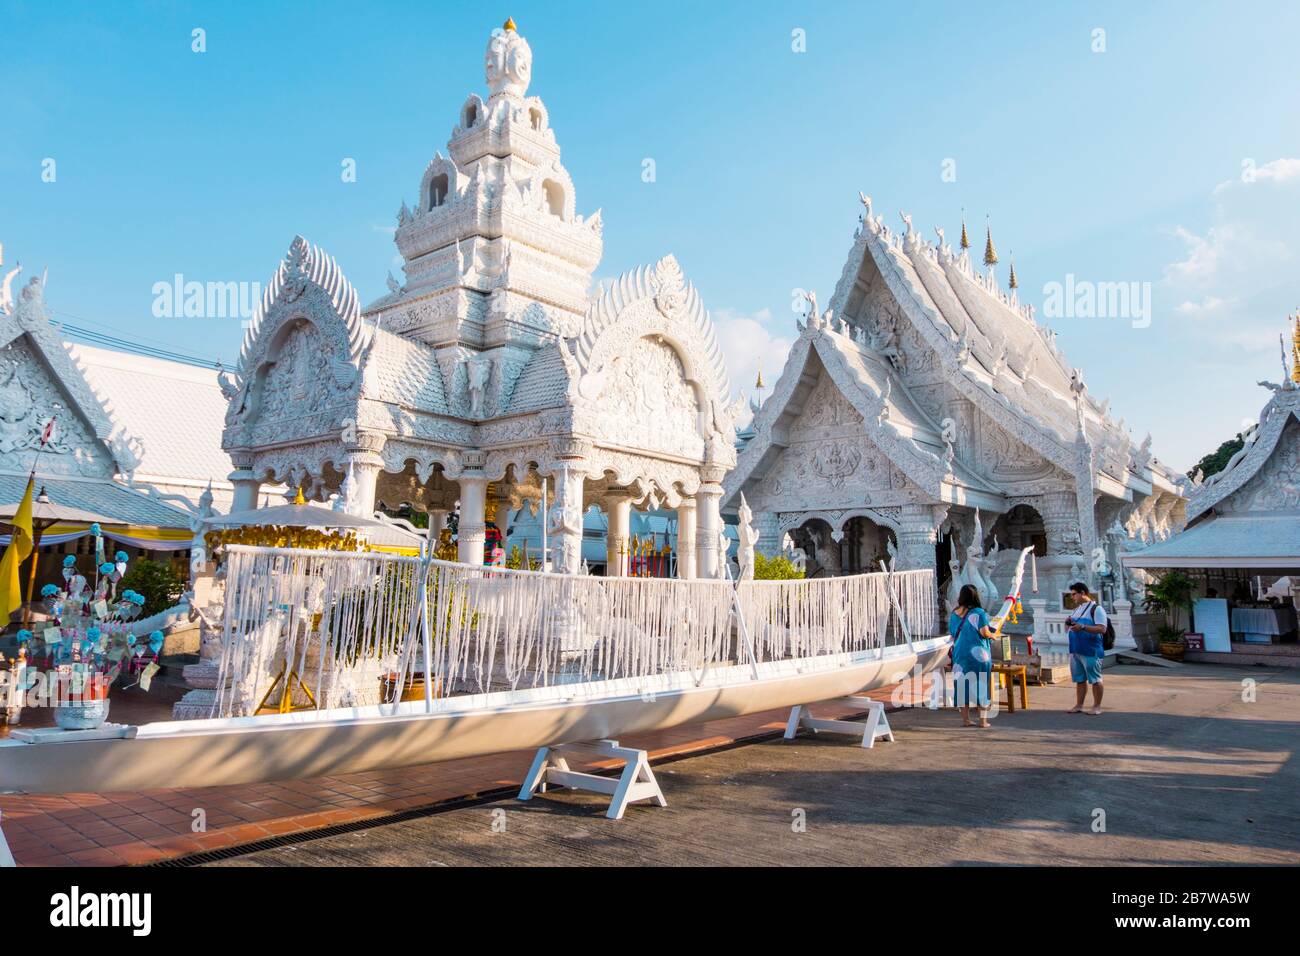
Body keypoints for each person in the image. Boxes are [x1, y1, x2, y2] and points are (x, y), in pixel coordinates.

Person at [948, 584, 996, 728]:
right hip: (979, 655)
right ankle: (983, 721)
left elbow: (952, 632)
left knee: (962, 685)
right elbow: (984, 632)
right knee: (981, 684)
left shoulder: (954, 613)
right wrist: (993, 635)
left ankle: (966, 720)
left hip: (960, 654)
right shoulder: (979, 612)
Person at [1065, 581, 1107, 715]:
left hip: (1091, 650)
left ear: (1082, 593)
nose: (1072, 597)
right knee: (1080, 679)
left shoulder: (1096, 609)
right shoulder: (1077, 609)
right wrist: (1068, 623)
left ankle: (1097, 706)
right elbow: (1069, 629)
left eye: (1074, 594)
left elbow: (1102, 629)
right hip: (1076, 650)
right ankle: (1079, 705)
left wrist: (1083, 627)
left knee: (1095, 679)